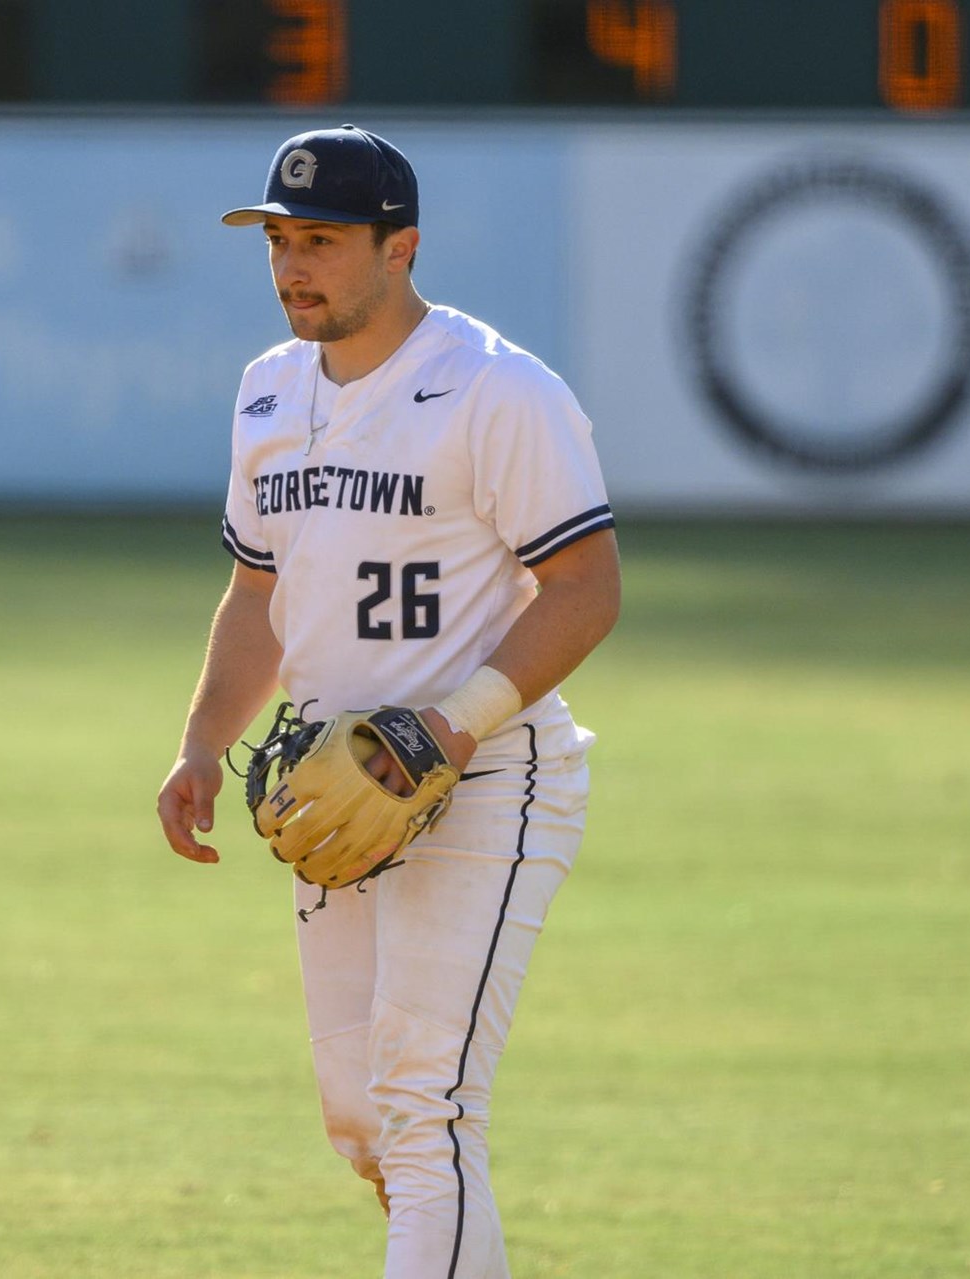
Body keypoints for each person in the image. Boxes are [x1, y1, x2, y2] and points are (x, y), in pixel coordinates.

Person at [155, 124, 621, 1279]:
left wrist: (451, 725)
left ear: (399, 247)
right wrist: (204, 742)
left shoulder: (497, 389)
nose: (291, 264)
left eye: (321, 240)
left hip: (484, 773)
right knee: (367, 1125)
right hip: (331, 785)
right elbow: (257, 592)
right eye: (278, 240)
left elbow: (588, 587)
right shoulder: (267, 393)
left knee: (427, 1111)